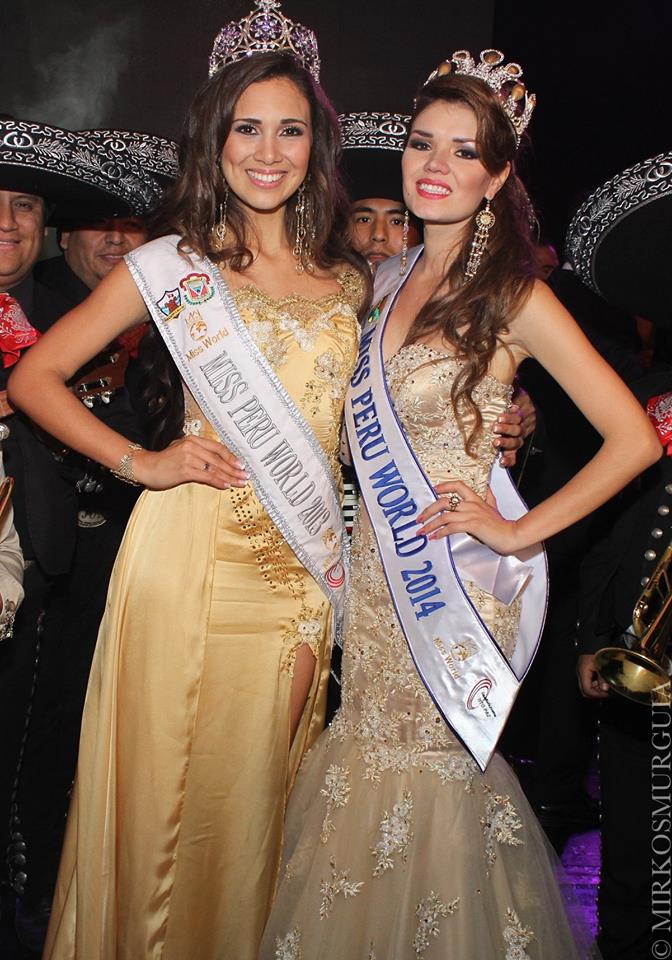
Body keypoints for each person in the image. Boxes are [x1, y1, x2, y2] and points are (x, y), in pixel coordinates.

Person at [258, 50, 660, 958]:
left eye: (465, 150)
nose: (436, 165)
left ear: (498, 175)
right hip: (372, 571)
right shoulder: (383, 279)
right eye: (420, 143)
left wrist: (517, 527)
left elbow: (633, 438)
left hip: (451, 580)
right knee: (360, 752)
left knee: (431, 771)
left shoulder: (516, 294)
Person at [9, 4, 370, 957]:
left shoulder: (350, 280)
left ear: (316, 145)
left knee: (257, 805)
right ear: (215, 141)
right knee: (165, 796)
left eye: (289, 128)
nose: (267, 149)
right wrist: (143, 463)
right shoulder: (175, 267)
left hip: (300, 572)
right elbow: (32, 378)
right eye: (246, 127)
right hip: (188, 556)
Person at [8, 131, 177, 955]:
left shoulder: (176, 325)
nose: (117, 240)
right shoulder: (45, 319)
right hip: (43, 564)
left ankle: (52, 879)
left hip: (125, 565)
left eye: (134, 227)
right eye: (100, 225)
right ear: (68, 239)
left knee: (80, 730)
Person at [567, 149, 672, 960]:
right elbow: (612, 527)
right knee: (634, 838)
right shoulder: (645, 391)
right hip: (644, 651)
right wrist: (590, 639)